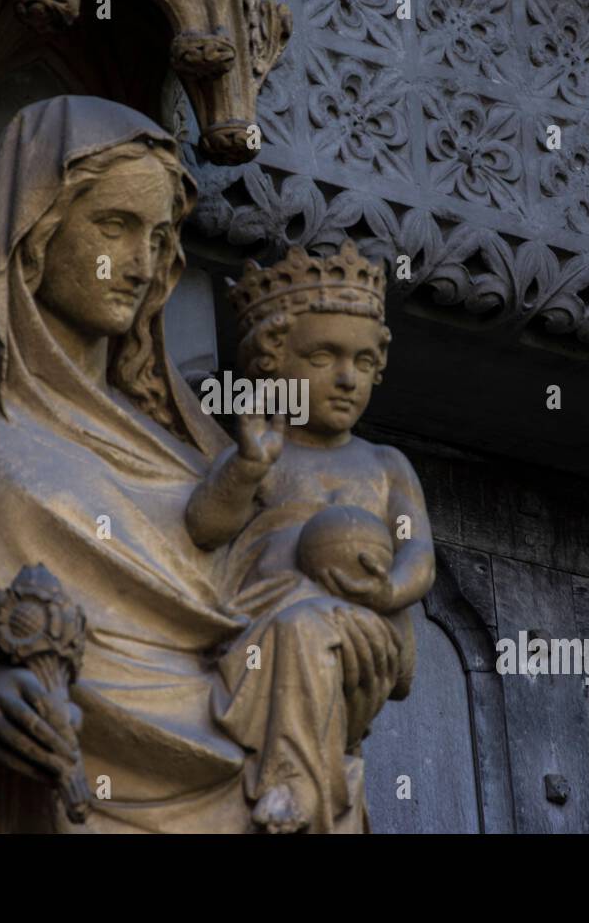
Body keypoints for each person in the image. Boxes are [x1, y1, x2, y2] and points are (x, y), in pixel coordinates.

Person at [0, 96, 402, 833]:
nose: (141, 265)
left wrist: (347, 647)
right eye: (115, 226)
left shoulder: (203, 458)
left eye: (161, 236)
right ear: (34, 233)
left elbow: (273, 621)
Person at [186, 241, 435, 832]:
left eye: (365, 361)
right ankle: (307, 782)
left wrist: (388, 591)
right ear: (272, 360)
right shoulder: (263, 454)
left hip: (366, 623)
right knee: (300, 629)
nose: (348, 378)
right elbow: (203, 526)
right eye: (324, 356)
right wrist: (245, 467)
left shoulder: (384, 465)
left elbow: (418, 551)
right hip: (267, 625)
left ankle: (297, 784)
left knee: (306, 629)